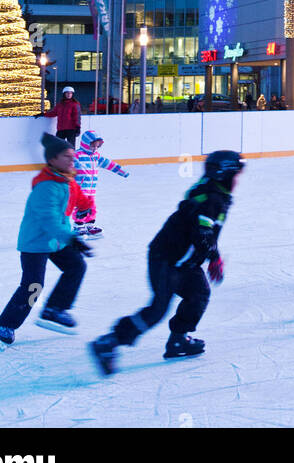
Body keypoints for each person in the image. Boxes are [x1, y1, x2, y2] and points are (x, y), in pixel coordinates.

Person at [89, 150, 245, 375]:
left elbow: (206, 235)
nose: (238, 180)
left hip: (184, 261)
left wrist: (212, 255)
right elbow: (202, 234)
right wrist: (214, 258)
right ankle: (108, 343)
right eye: (236, 175)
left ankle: (178, 340)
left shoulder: (213, 192)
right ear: (225, 175)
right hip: (167, 259)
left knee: (199, 294)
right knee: (157, 309)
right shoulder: (212, 198)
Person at [0, 134, 93, 348]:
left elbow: (78, 197)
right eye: (66, 156)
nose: (71, 160)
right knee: (33, 286)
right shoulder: (45, 187)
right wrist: (72, 238)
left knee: (76, 266)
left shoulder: (68, 179)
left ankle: (55, 309)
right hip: (36, 242)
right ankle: (6, 325)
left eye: (72, 156)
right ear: (53, 159)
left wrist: (87, 204)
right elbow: (48, 220)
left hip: (57, 240)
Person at [72, 130, 130, 237]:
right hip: (80, 188)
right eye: (92, 145)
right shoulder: (77, 155)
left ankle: (90, 224)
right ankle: (78, 225)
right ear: (86, 143)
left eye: (97, 146)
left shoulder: (96, 156)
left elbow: (109, 164)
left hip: (91, 188)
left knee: (92, 207)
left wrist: (122, 171)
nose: (95, 148)